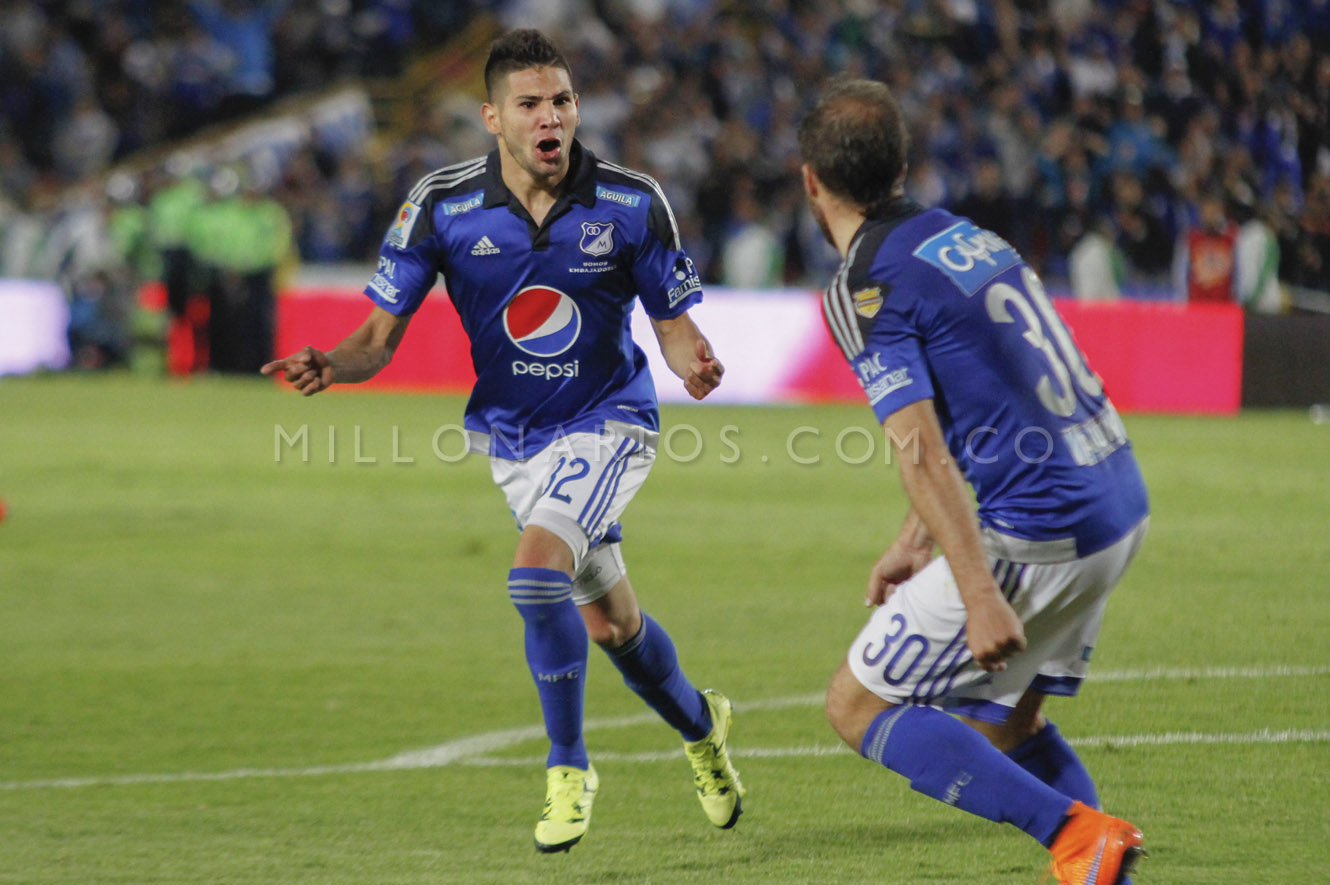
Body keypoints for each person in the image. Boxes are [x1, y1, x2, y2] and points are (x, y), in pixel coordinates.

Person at [261, 29, 743, 854]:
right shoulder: (440, 205)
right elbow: (379, 338)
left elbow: (671, 327)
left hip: (610, 424)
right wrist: (331, 365)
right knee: (612, 625)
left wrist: (692, 360)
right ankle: (703, 730)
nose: (549, 116)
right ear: (493, 116)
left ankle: (568, 767)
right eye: (530, 104)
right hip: (515, 441)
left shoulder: (632, 200)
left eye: (561, 101)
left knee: (533, 572)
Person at [798, 79, 1151, 885]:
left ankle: (1076, 835)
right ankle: (1104, 865)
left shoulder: (861, 285)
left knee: (857, 705)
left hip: (1040, 527)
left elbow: (919, 445)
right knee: (1005, 719)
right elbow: (985, 402)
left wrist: (976, 586)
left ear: (810, 179)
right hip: (1117, 502)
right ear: (901, 166)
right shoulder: (962, 236)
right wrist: (913, 538)